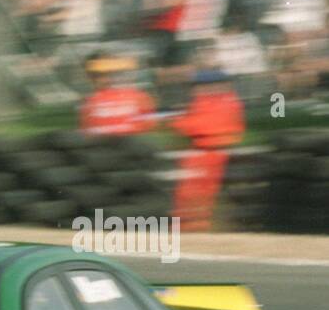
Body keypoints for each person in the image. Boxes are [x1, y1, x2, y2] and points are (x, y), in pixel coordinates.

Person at [171, 68, 245, 231]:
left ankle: (197, 228)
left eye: (199, 86)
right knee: (186, 194)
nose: (196, 90)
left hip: (214, 153)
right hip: (202, 152)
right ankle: (186, 227)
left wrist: (178, 122)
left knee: (199, 195)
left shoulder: (226, 102)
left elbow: (197, 126)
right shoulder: (203, 102)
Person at [79, 53, 156, 136]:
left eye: (109, 73)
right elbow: (87, 135)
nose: (105, 80)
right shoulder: (88, 105)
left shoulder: (139, 98)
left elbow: (150, 131)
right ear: (89, 78)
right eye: (97, 76)